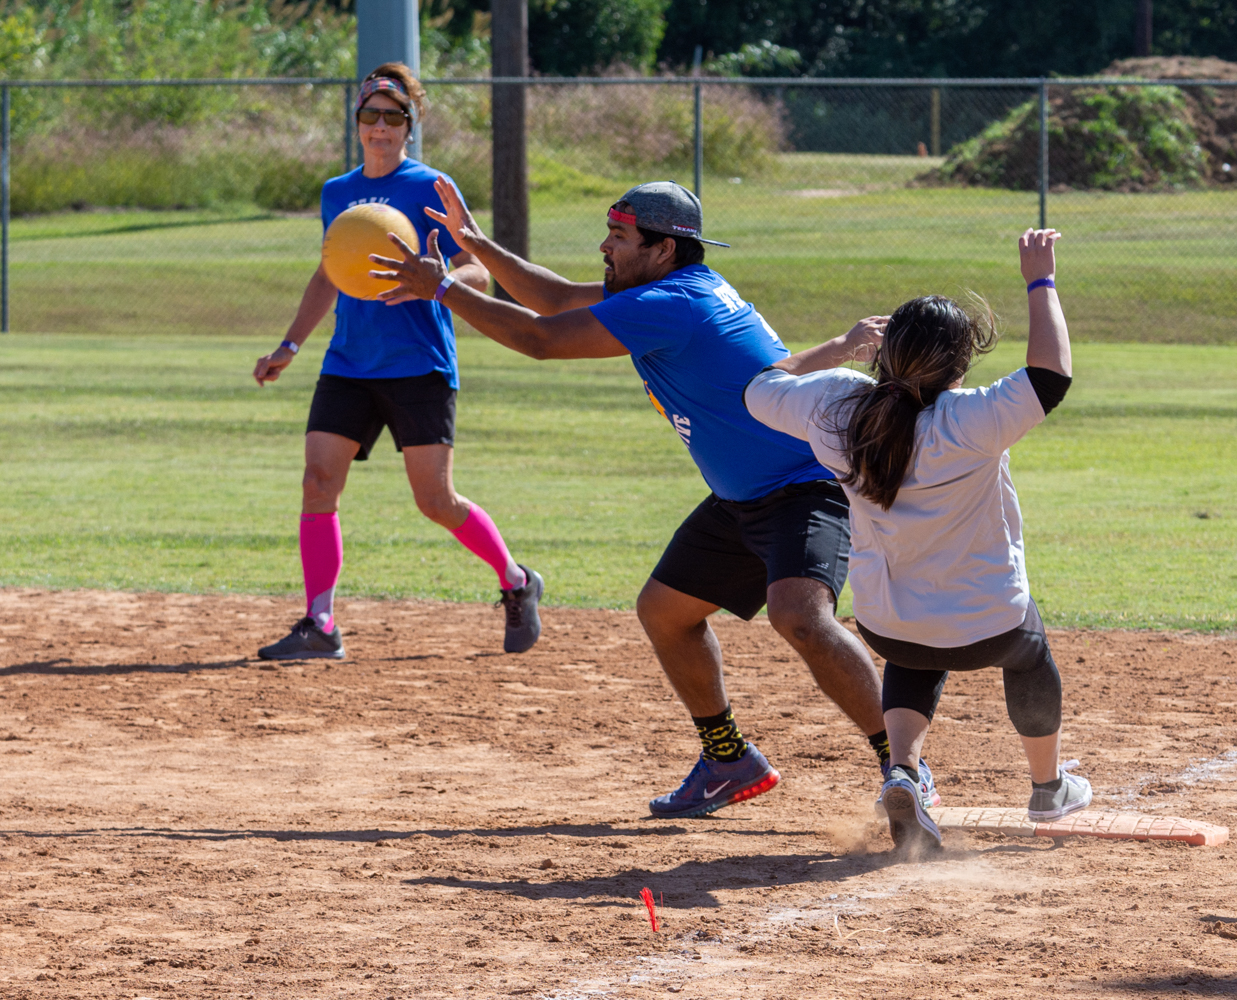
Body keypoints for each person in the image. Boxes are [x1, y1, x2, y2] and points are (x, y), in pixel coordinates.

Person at [372, 179, 927, 818]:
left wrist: (442, 289)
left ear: (663, 249)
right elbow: (551, 298)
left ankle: (905, 767)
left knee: (799, 615)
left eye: (619, 236)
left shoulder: (673, 303)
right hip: (742, 494)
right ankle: (728, 760)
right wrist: (476, 245)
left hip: (804, 484)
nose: (605, 246)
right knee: (665, 612)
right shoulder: (667, 288)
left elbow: (542, 337)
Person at [743, 229, 1090, 854]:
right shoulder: (973, 420)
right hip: (991, 623)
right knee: (1030, 655)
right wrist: (1042, 281)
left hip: (886, 622)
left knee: (914, 652)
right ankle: (1048, 789)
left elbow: (758, 388)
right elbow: (1050, 376)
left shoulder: (836, 405)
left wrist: (838, 347)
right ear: (961, 364)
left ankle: (903, 770)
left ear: (885, 355)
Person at [251, 62, 543, 661]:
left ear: (410, 124)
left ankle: (516, 581)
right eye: (369, 115)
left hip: (419, 362)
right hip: (349, 362)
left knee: (435, 501)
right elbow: (331, 272)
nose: (379, 126)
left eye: (392, 116)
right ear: (357, 122)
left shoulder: (432, 186)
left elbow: (478, 270)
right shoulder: (338, 192)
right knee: (318, 481)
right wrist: (291, 344)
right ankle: (321, 622)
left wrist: (432, 284)